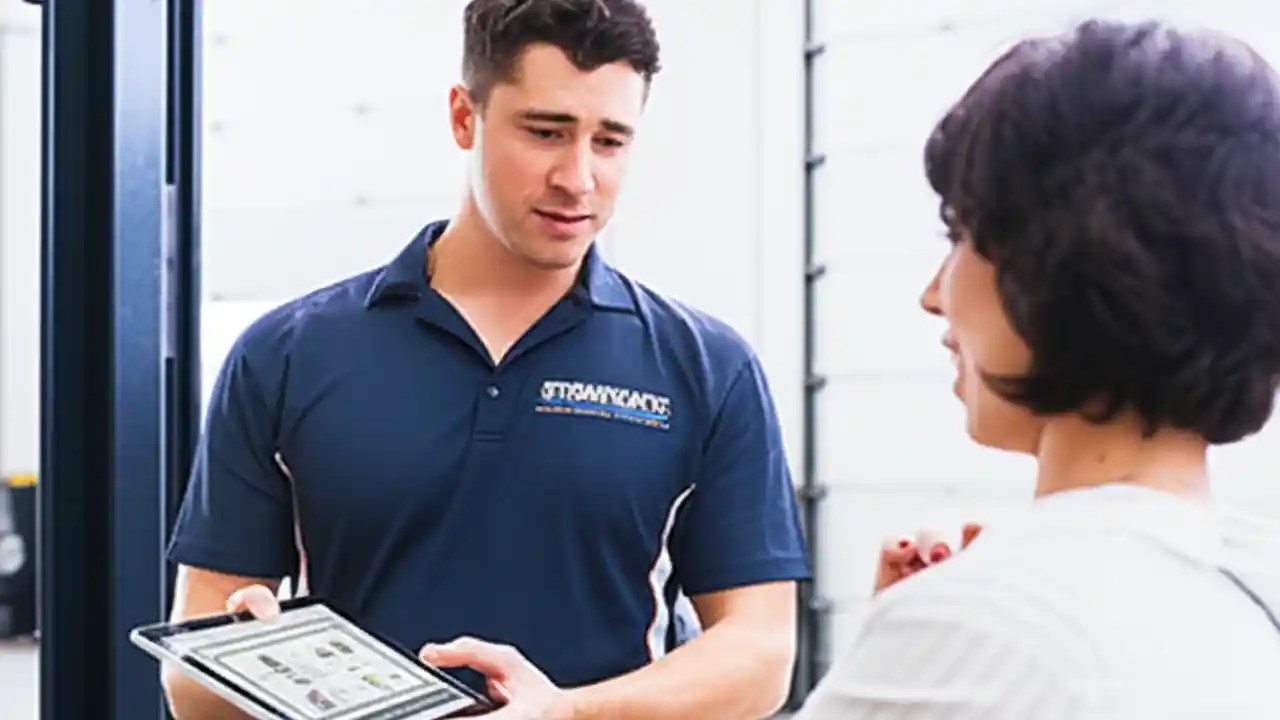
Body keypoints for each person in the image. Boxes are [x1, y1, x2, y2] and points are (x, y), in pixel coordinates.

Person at [160, 1, 810, 719]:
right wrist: (253, 676)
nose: (578, 177)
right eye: (545, 132)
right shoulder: (285, 356)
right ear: (464, 117)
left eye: (611, 141)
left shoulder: (708, 369)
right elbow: (190, 684)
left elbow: (760, 655)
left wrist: (565, 713)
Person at [788, 18, 1280, 719]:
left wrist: (923, 645)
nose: (934, 295)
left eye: (959, 235)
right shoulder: (1254, 591)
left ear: (1060, 267)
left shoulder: (984, 618)